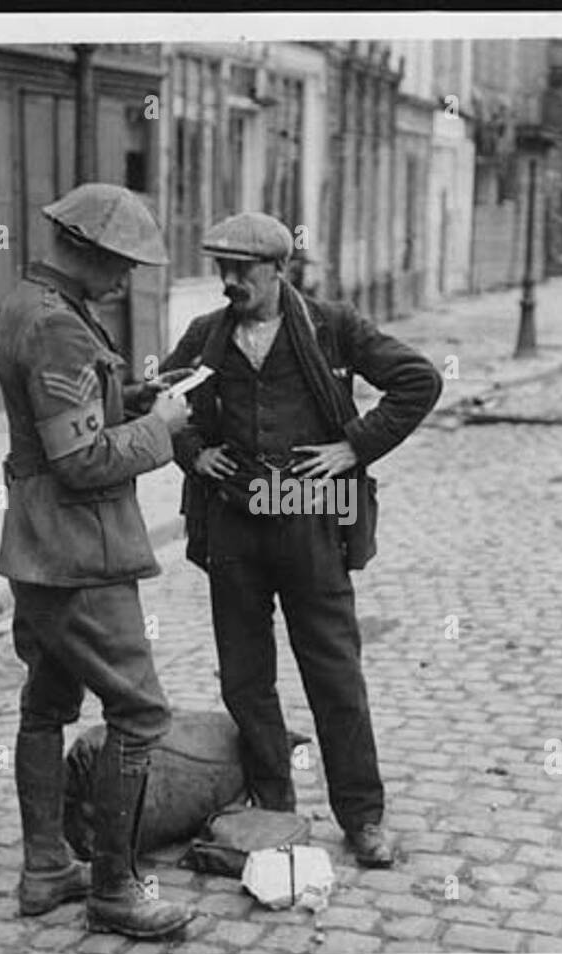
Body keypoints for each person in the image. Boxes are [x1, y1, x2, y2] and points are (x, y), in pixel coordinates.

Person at [160, 212, 443, 868]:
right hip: (233, 526)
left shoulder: (331, 327)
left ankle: (363, 818)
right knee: (245, 676)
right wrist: (193, 453)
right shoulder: (207, 336)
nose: (230, 281)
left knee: (334, 673)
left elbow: (419, 381)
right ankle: (273, 806)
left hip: (309, 521)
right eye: (222, 269)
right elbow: (160, 401)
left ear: (279, 269)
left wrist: (354, 446)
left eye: (243, 271)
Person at [0, 182, 194, 940]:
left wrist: (137, 396)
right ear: (94, 251)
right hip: (80, 557)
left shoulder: (33, 307)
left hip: (41, 550)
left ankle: (47, 866)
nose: (129, 279)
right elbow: (81, 461)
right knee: (140, 715)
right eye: (126, 263)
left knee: (45, 708)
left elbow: (66, 422)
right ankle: (115, 889)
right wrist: (163, 428)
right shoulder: (60, 329)